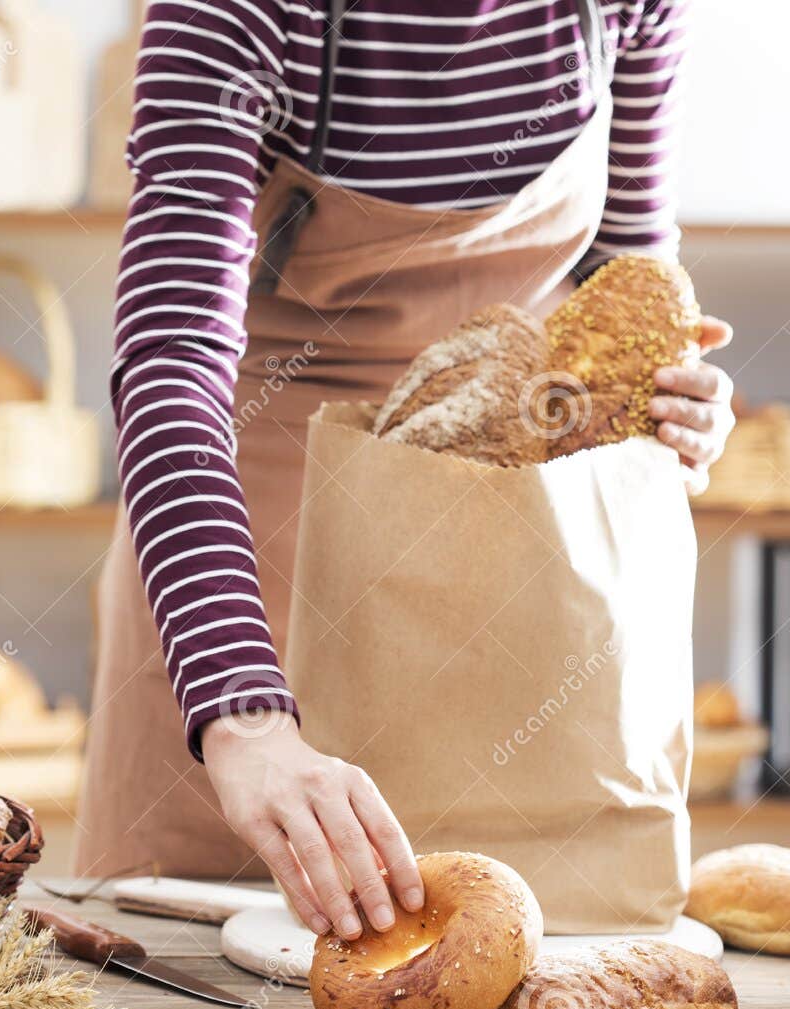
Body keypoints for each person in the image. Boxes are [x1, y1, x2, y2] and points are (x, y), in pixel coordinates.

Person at [76, 0, 736, 943]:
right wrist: (245, 719)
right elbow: (171, 364)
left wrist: (674, 402)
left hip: (514, 565)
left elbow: (628, 280)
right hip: (251, 573)